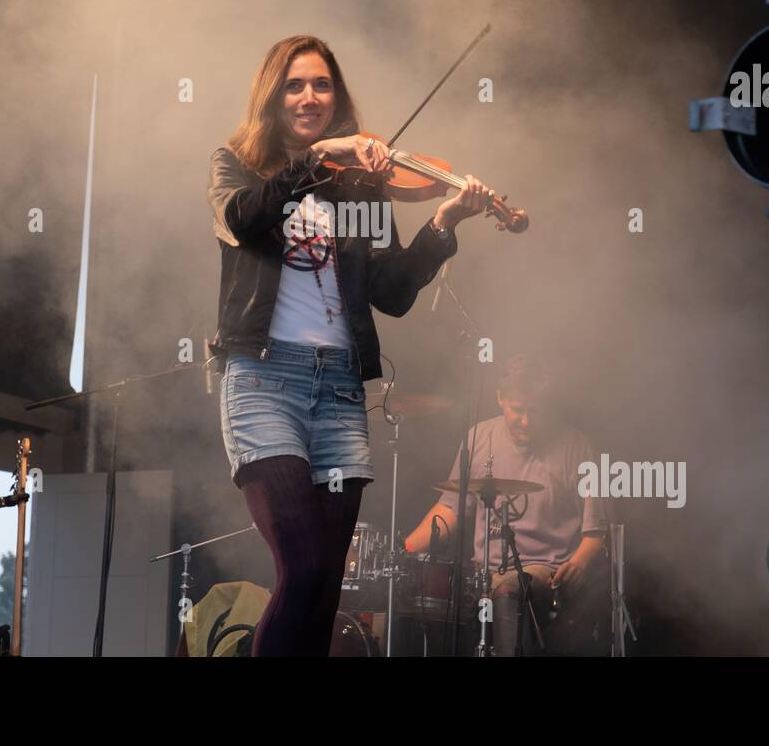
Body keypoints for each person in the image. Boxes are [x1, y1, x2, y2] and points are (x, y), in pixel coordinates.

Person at [207, 34, 496, 656]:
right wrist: (319, 156)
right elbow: (239, 220)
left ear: (335, 95)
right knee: (303, 567)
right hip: (263, 381)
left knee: (326, 588)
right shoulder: (237, 163)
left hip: (340, 389)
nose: (310, 96)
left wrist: (443, 225)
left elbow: (391, 292)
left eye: (321, 84)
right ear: (272, 95)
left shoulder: (361, 185)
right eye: (295, 84)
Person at [404, 354, 609, 655]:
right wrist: (404, 550)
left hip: (543, 570)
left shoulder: (576, 446)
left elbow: (596, 532)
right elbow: (450, 509)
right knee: (420, 595)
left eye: (536, 412)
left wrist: (575, 567)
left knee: (507, 589)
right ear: (500, 398)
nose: (527, 421)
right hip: (481, 572)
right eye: (518, 410)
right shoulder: (477, 438)